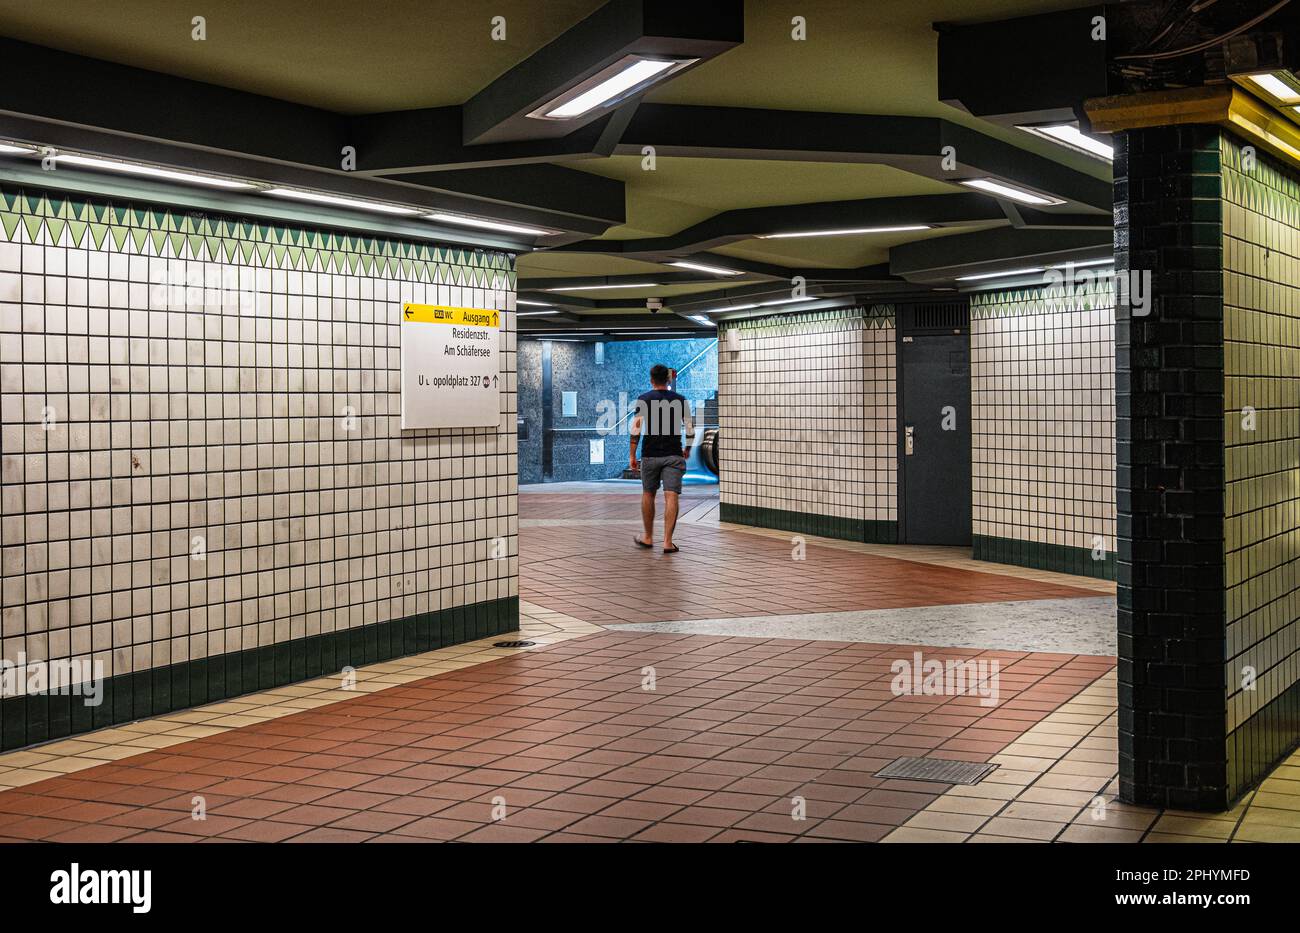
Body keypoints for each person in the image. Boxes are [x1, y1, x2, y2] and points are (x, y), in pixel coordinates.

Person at [629, 363, 694, 553]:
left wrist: (632, 454)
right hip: (673, 454)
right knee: (671, 495)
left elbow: (636, 429)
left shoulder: (644, 399)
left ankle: (648, 537)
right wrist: (688, 448)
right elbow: (690, 428)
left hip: (650, 454)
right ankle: (667, 542)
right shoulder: (680, 400)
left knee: (648, 493)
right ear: (668, 380)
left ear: (651, 380)